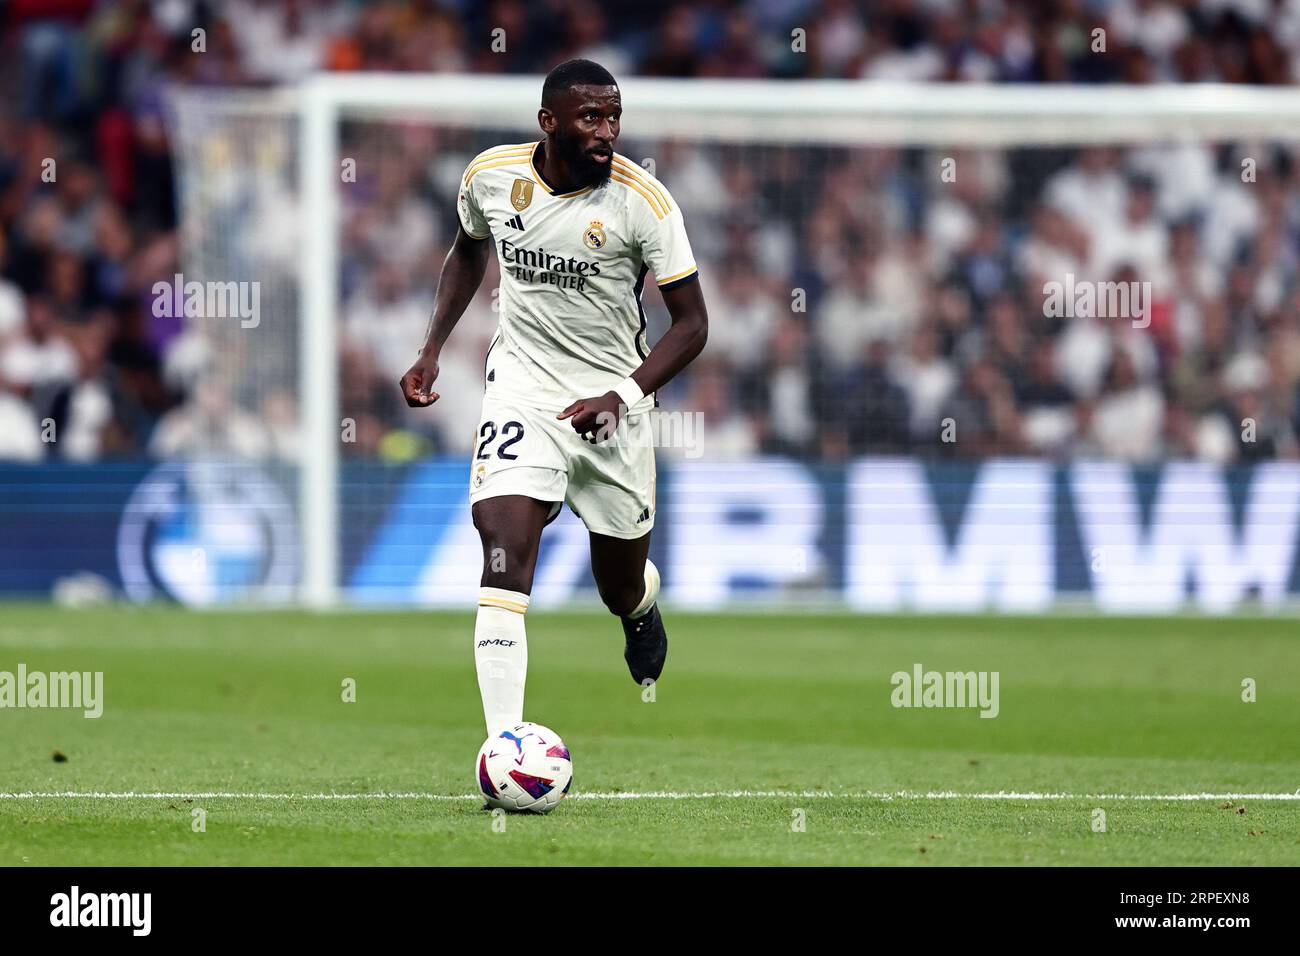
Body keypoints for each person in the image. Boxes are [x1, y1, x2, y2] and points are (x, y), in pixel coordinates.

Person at [399, 59, 708, 737]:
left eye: (614, 116)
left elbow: (692, 325)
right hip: (522, 391)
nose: (607, 131)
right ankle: (505, 746)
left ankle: (639, 608)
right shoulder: (491, 177)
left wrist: (622, 395)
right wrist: (432, 348)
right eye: (591, 118)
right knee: (503, 547)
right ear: (549, 122)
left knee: (618, 584)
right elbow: (469, 251)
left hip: (612, 407)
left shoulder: (644, 203)